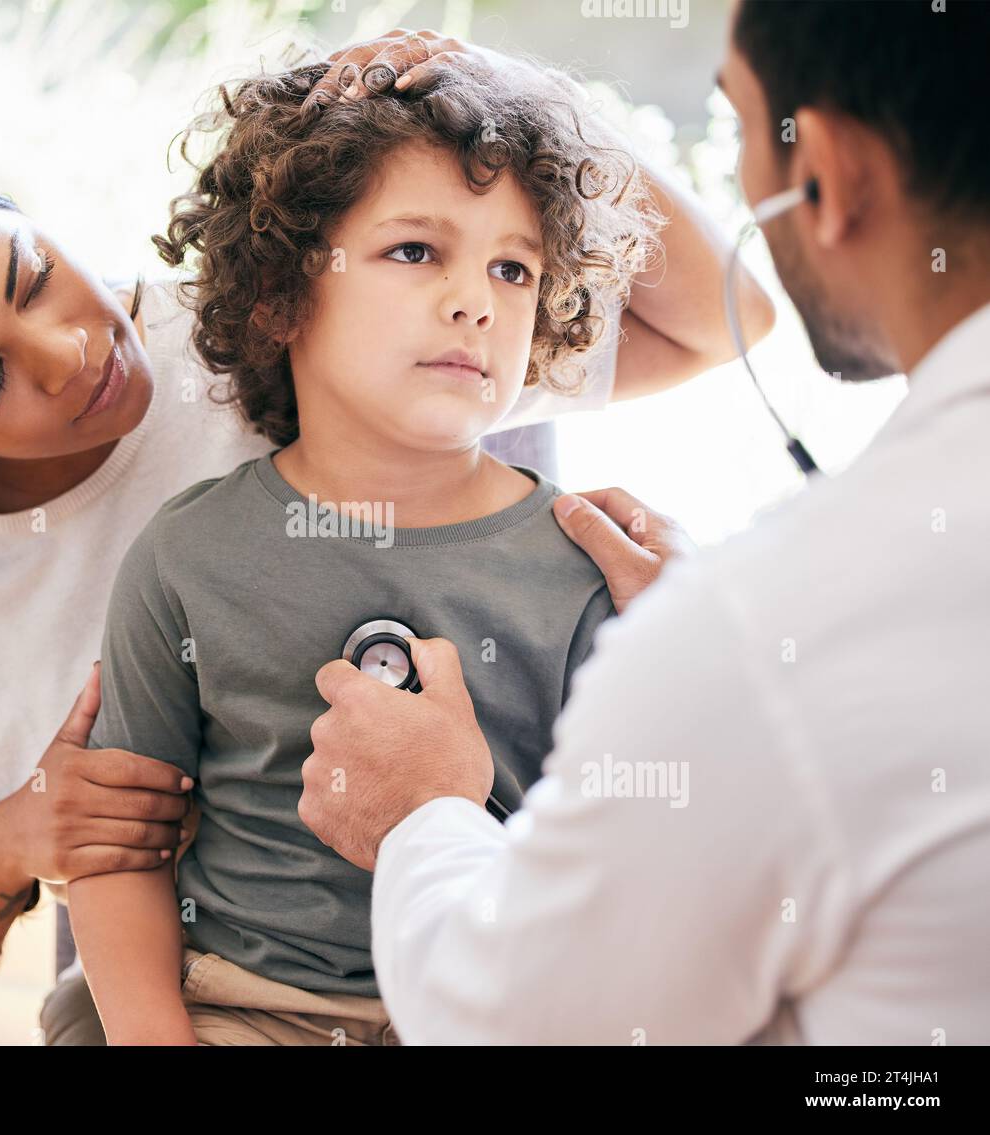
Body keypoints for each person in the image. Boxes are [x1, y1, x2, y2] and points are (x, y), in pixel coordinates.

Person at [0, 30, 770, 1044]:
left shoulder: (301, 314)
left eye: (31, 276)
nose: (70, 350)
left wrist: (483, 85)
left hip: (473, 952)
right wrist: (16, 840)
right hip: (193, 989)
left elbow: (725, 318)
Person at [299, 0, 990, 1045]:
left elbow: (520, 1025)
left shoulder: (758, 635)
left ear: (833, 179)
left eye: (744, 128)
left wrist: (424, 813)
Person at [70, 49, 657, 1045]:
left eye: (511, 267)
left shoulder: (588, 567)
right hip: (240, 1009)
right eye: (416, 251)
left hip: (487, 1009)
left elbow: (620, 870)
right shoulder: (185, 558)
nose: (475, 298)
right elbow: (119, 853)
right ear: (279, 294)